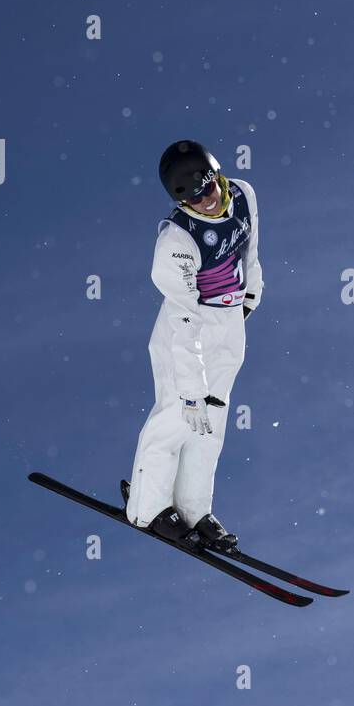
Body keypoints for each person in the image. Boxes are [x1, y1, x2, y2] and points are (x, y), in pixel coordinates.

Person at [124, 139, 262, 551]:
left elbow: (250, 250)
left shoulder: (242, 194)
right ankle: (147, 508)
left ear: (216, 174)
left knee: (211, 425)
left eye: (207, 189)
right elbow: (183, 317)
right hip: (186, 331)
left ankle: (193, 508)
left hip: (228, 324)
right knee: (177, 419)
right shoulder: (176, 240)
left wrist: (250, 295)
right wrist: (189, 390)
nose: (205, 201)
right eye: (193, 198)